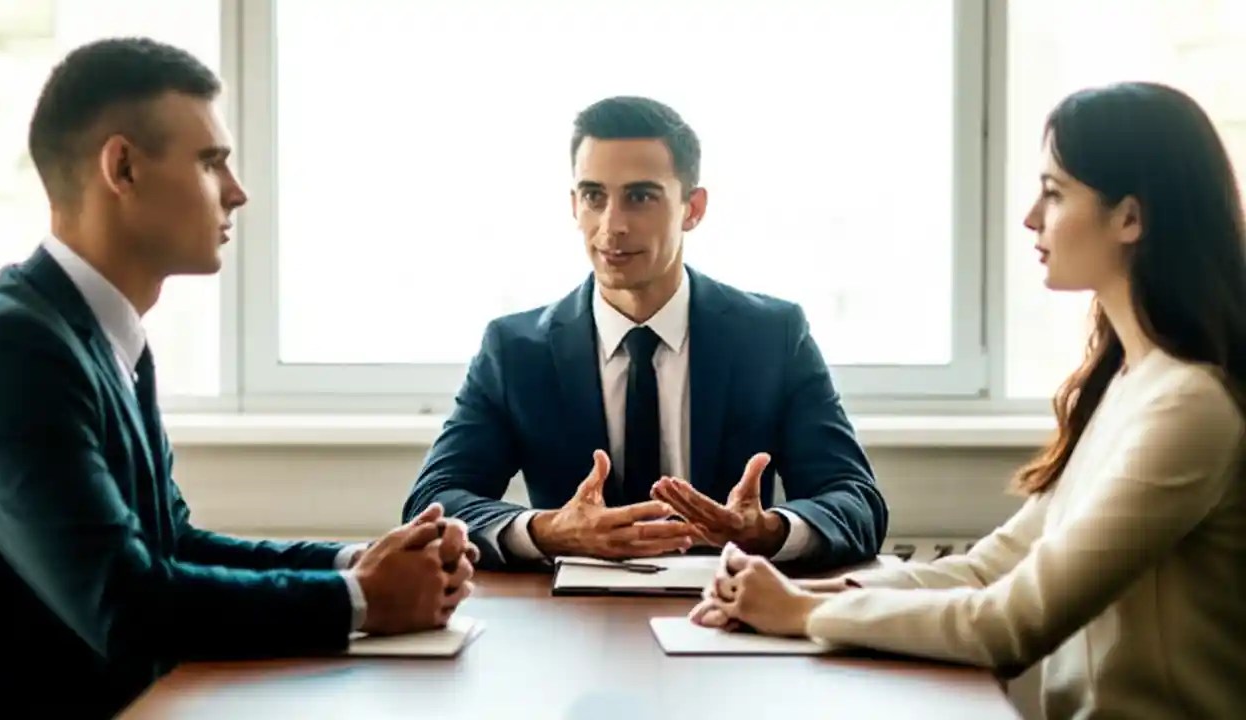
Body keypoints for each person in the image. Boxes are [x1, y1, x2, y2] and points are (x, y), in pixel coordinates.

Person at [691, 81, 1246, 719]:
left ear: (1130, 217)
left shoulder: (1188, 406)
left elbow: (1013, 622)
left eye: (1055, 192)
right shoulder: (1127, 384)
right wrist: (806, 590)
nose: (1031, 217)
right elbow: (989, 568)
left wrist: (804, 612)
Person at [0, 38, 475, 717]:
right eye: (211, 162)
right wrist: (364, 600)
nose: (237, 192)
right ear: (122, 167)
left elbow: (172, 542)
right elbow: (122, 603)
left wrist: (357, 563)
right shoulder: (9, 348)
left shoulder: (104, 335)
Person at [404, 96, 887, 571]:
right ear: (574, 206)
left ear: (692, 208)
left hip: (730, 612)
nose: (612, 226)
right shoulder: (514, 350)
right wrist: (551, 531)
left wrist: (768, 531)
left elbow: (856, 501)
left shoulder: (773, 337)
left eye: (640, 197)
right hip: (568, 624)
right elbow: (433, 503)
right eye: (594, 196)